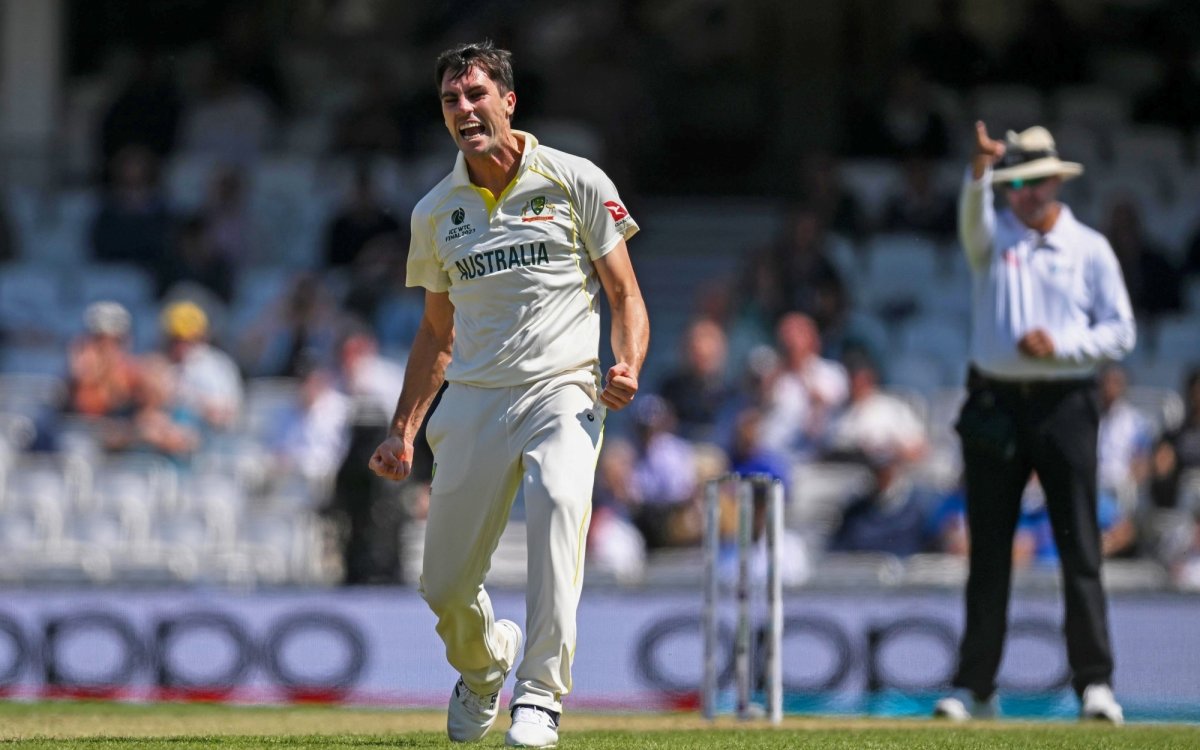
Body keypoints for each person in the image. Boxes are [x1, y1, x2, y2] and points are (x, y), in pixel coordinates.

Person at [367, 42, 648, 748]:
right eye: (451, 102)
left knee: (558, 506)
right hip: (474, 397)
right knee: (444, 586)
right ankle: (485, 665)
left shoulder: (575, 179)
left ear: (508, 100)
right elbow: (437, 331)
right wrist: (403, 429)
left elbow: (625, 294)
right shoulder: (435, 212)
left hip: (563, 389)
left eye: (475, 96)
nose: (464, 110)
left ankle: (541, 694)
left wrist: (628, 363)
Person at [933, 122, 1135, 724]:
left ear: (1053, 182)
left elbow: (1119, 332)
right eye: (1011, 182)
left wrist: (1064, 347)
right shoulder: (992, 238)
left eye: (1031, 181)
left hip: (1066, 405)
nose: (1022, 192)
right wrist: (977, 172)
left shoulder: (1089, 248)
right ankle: (976, 687)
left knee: (1079, 544)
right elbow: (972, 221)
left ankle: (1095, 685)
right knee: (989, 548)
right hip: (995, 404)